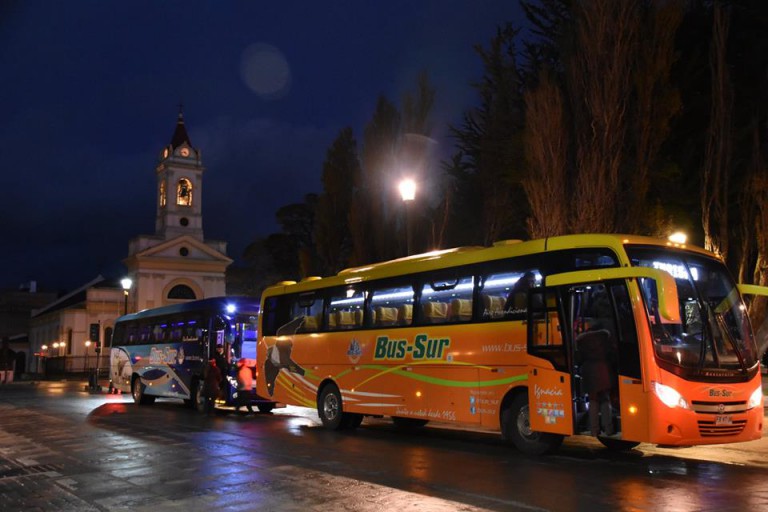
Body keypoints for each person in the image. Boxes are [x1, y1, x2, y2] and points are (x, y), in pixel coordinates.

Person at [576, 328, 615, 436]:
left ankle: (594, 429)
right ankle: (608, 428)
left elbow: (578, 359)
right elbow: (612, 355)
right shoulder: (604, 339)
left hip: (589, 372)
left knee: (593, 401)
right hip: (603, 370)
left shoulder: (582, 342)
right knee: (605, 400)